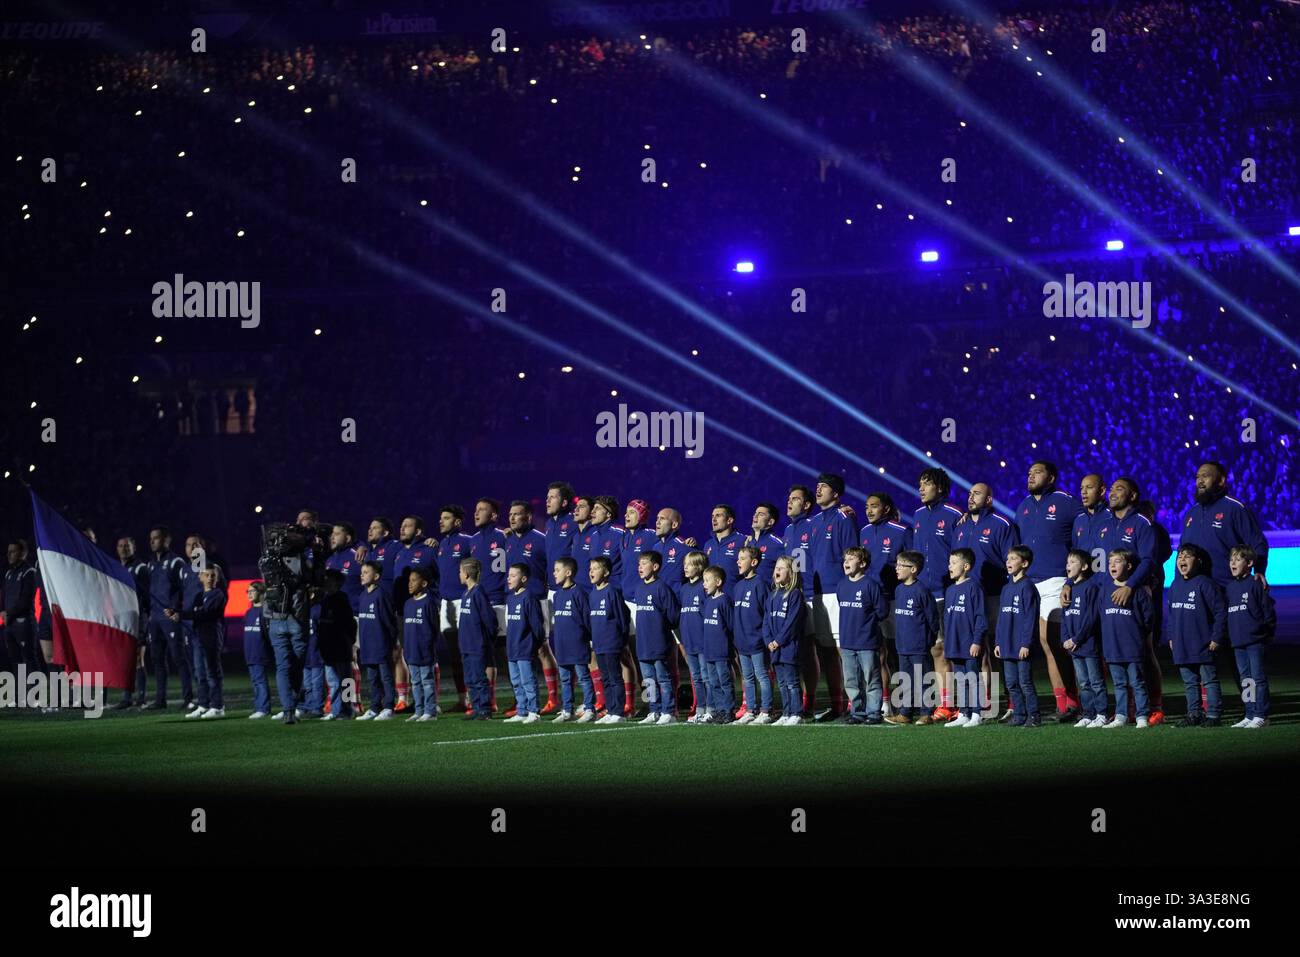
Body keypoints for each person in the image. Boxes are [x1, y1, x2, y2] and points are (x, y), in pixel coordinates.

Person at [1014, 461, 1083, 722]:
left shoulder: (1067, 502)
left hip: (1056, 579)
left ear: (1052, 477)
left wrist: (1073, 577)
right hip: (1030, 582)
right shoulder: (1023, 506)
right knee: (1043, 644)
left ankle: (1073, 701)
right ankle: (1063, 703)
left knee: (1051, 641)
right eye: (1029, 472)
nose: (1031, 476)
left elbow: (1084, 531)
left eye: (1037, 472)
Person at [913, 468, 964, 721]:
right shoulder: (918, 515)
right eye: (920, 484)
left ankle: (965, 703)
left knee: (949, 649)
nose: (921, 489)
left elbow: (961, 555)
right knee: (934, 649)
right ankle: (945, 703)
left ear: (940, 488)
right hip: (925, 594)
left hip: (946, 592)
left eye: (927, 484)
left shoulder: (955, 515)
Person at [808, 473, 857, 721]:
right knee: (825, 650)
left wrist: (846, 587)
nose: (818, 490)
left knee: (842, 649)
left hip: (836, 591)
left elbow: (851, 554)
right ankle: (837, 704)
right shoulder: (814, 521)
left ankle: (854, 704)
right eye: (817, 487)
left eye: (823, 487)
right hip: (817, 592)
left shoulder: (843, 518)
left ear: (836, 494)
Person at [1178, 462, 1269, 590]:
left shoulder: (1235, 509)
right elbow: (1182, 550)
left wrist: (1259, 571)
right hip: (1195, 592)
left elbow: (1258, 542)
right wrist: (1178, 584)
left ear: (1221, 480)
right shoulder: (1191, 513)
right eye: (1197, 477)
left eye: (1205, 476)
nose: (1200, 481)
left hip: (1227, 590)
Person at [1166, 545, 1227, 728]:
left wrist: (1216, 637)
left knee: (1208, 679)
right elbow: (1171, 614)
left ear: (1198, 561)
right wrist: (1171, 636)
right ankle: (1194, 714)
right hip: (1181, 644)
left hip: (1202, 643)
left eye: (1187, 557)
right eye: (1179, 557)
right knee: (1189, 682)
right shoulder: (1175, 585)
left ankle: (1214, 715)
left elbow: (1220, 613)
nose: (1182, 560)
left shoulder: (1205, 584)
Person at [504, 500, 555, 717]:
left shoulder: (541, 541)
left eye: (517, 514)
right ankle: (522, 703)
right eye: (511, 514)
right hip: (514, 600)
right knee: (517, 647)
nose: (513, 518)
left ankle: (553, 698)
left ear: (529, 517)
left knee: (542, 647)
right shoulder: (507, 540)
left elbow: (551, 569)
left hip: (537, 600)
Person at [1100, 549, 1154, 729]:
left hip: (1132, 647)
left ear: (1129, 566)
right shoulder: (1105, 589)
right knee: (1119, 683)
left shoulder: (1137, 591)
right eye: (1110, 562)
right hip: (1112, 646)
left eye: (1117, 561)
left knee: (1137, 682)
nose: (1112, 565)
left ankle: (1142, 715)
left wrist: (1137, 636)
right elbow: (1101, 615)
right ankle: (1121, 715)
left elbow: (1148, 618)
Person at [886, 550, 939, 725]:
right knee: (905, 680)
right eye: (897, 564)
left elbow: (932, 618)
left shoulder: (922, 591)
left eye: (901, 565)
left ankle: (927, 713)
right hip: (903, 645)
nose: (897, 568)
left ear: (914, 569)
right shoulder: (899, 590)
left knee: (924, 678)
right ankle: (905, 713)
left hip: (919, 645)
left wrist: (928, 640)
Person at [836, 546, 887, 725]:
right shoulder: (842, 585)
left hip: (867, 642)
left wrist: (868, 627)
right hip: (848, 642)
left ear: (863, 563)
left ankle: (873, 712)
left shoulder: (870, 585)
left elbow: (882, 611)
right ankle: (857, 712)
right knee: (851, 680)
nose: (846, 562)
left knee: (871, 678)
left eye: (851, 559)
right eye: (845, 559)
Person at [168, 566, 228, 718]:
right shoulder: (198, 596)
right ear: (200, 578)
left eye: (213, 575)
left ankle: (217, 706)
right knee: (199, 673)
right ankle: (203, 704)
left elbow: (205, 613)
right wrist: (176, 614)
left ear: (217, 578)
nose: (210, 578)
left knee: (212, 673)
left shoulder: (218, 594)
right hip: (197, 638)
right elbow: (194, 613)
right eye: (206, 575)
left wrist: (181, 615)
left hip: (211, 637)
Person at [1226, 545, 1275, 729]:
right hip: (1238, 642)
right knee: (1246, 680)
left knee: (1258, 678)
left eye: (1238, 559)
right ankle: (1250, 713)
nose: (1233, 563)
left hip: (1255, 641)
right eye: (1231, 560)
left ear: (1250, 563)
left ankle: (1262, 715)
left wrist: (1266, 633)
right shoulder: (1230, 588)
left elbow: (1268, 613)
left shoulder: (1255, 584)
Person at [144, 526, 192, 710]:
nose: (152, 541)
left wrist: (177, 609)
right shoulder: (150, 564)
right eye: (151, 538)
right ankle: (160, 699)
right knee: (157, 659)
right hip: (155, 619)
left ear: (166, 540)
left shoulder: (176, 562)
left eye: (156, 538)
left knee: (178, 658)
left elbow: (185, 587)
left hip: (170, 618)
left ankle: (188, 698)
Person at [468, 499, 508, 715]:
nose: (476, 513)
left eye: (482, 510)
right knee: (485, 651)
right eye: (476, 509)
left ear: (493, 516)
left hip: (499, 601)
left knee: (506, 650)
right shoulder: (472, 540)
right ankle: (488, 700)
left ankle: (522, 699)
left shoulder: (503, 536)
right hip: (478, 603)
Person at [993, 546, 1040, 727]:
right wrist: (998, 642)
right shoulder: (1006, 588)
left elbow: (1030, 618)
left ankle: (1034, 716)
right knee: (1011, 683)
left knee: (1025, 682)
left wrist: (1026, 643)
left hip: (1020, 644)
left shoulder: (1027, 587)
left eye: (1013, 559)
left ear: (1025, 563)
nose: (1008, 562)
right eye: (1008, 558)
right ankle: (1019, 715)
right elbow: (1001, 618)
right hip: (1006, 643)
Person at [633, 551, 681, 725]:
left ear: (655, 567)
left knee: (663, 678)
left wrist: (661, 628)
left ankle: (668, 711)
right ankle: (654, 710)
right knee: (648, 680)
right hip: (643, 643)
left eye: (644, 563)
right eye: (639, 564)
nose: (640, 567)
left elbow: (674, 616)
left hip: (659, 642)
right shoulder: (639, 589)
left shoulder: (661, 588)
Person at [941, 548, 987, 727]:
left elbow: (980, 617)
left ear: (966, 566)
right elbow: (947, 619)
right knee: (960, 680)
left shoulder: (974, 587)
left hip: (969, 644)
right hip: (954, 644)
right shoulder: (950, 590)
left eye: (953, 563)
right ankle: (964, 713)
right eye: (949, 563)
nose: (949, 566)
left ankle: (977, 713)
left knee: (973, 678)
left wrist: (976, 641)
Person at [1060, 549, 1106, 728]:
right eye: (1067, 563)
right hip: (1073, 646)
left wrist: (1077, 639)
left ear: (1085, 566)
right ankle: (1088, 713)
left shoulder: (1090, 587)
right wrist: (1065, 638)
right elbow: (1064, 616)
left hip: (1087, 644)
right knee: (1084, 682)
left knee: (1096, 681)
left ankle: (1102, 713)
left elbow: (1091, 617)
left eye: (1072, 562)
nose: (1068, 566)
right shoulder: (1068, 589)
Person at [435, 505, 474, 713]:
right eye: (441, 518)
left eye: (446, 518)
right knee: (454, 655)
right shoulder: (441, 543)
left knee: (468, 651)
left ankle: (475, 698)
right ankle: (462, 699)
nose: (441, 521)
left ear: (457, 522)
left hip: (463, 601)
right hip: (446, 603)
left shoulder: (467, 542)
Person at [549, 556, 594, 722]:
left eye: (557, 570)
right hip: (562, 645)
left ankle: (589, 709)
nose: (554, 573)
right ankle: (568, 710)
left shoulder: (579, 593)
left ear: (568, 572)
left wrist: (589, 639)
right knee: (565, 679)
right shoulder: (557, 595)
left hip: (578, 644)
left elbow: (587, 619)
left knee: (583, 677)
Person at [731, 545, 772, 725]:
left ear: (754, 562)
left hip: (756, 640)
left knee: (762, 675)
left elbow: (767, 614)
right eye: (738, 558)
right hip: (741, 641)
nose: (738, 562)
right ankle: (751, 710)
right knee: (747, 678)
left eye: (742, 558)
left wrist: (764, 637)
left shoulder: (761, 584)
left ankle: (766, 710)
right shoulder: (738, 586)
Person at [765, 555, 808, 725]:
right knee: (781, 682)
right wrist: (768, 640)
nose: (777, 570)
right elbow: (766, 621)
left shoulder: (795, 594)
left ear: (791, 573)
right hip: (774, 648)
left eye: (782, 568)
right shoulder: (772, 595)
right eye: (776, 567)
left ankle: (796, 713)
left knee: (791, 681)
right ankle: (786, 712)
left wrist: (778, 641)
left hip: (788, 646)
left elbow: (792, 622)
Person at [588, 556, 630, 724]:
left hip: (612, 643)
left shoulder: (612, 592)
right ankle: (611, 710)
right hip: (599, 644)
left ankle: (619, 712)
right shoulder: (592, 594)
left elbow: (622, 617)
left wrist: (621, 638)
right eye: (590, 568)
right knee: (605, 679)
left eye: (596, 568)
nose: (591, 572)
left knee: (614, 677)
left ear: (606, 572)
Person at [112, 536, 151, 709]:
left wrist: (146, 616)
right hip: (121, 616)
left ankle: (141, 697)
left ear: (134, 547)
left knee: (137, 657)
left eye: (127, 546)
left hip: (138, 615)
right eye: (120, 546)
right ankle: (126, 697)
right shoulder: (114, 567)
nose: (123, 549)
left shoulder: (141, 568)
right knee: (124, 658)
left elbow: (148, 595)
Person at [504, 562, 545, 725]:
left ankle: (534, 711)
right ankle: (521, 710)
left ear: (524, 578)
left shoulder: (528, 598)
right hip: (512, 648)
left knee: (528, 681)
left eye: (513, 576)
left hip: (525, 648)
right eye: (509, 575)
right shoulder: (510, 598)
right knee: (516, 681)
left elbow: (537, 626)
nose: (509, 578)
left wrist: (535, 644)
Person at [457, 556, 497, 721]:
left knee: (479, 678)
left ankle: (484, 710)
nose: (458, 574)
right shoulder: (466, 593)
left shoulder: (478, 593)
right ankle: (476, 708)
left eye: (460, 571)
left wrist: (486, 640)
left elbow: (489, 620)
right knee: (470, 679)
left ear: (466, 574)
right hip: (466, 645)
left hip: (476, 645)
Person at [356, 560, 397, 721]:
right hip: (367, 645)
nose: (362, 575)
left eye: (366, 572)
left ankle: (388, 707)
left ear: (377, 576)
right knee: (372, 678)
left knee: (385, 677)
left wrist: (391, 642)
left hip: (380, 644)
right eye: (361, 572)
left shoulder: (381, 595)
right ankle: (374, 707)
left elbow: (389, 622)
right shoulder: (362, 595)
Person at [314, 570, 357, 721]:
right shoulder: (325, 599)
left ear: (337, 583)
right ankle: (336, 708)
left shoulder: (341, 599)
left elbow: (349, 623)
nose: (325, 582)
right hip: (328, 646)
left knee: (345, 679)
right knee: (333, 681)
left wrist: (349, 641)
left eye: (329, 579)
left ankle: (348, 709)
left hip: (340, 645)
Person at [401, 565, 440, 722]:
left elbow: (434, 628)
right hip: (411, 651)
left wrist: (429, 647)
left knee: (427, 682)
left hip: (424, 651)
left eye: (414, 580)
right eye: (409, 581)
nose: (410, 584)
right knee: (415, 683)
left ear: (424, 584)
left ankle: (430, 711)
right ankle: (419, 710)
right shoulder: (408, 604)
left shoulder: (428, 603)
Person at [700, 565, 735, 724]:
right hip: (709, 652)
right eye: (703, 581)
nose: (704, 584)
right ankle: (720, 711)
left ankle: (728, 711)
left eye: (707, 581)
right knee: (713, 683)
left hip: (721, 652)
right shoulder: (707, 602)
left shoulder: (724, 601)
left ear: (718, 582)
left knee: (724, 682)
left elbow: (731, 626)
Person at [677, 551, 709, 723]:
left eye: (689, 564)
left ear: (699, 567)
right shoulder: (684, 589)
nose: (685, 567)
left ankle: (711, 708)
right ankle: (701, 708)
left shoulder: (703, 587)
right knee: (696, 677)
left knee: (706, 677)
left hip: (702, 642)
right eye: (684, 564)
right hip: (689, 642)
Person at [242, 581, 273, 718]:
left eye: (252, 591)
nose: (249, 594)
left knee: (260, 681)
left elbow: (267, 634)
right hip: (250, 653)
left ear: (261, 593)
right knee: (255, 681)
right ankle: (259, 706)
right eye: (247, 591)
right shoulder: (248, 612)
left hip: (260, 652)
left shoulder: (265, 612)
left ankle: (264, 708)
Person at [703, 504, 746, 586]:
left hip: (733, 596)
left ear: (729, 520)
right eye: (712, 516)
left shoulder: (742, 541)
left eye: (718, 516)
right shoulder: (708, 544)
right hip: (712, 597)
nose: (714, 519)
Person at [746, 502, 786, 587]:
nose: (755, 516)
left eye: (761, 514)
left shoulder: (777, 544)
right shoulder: (748, 542)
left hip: (767, 596)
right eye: (755, 513)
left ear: (770, 522)